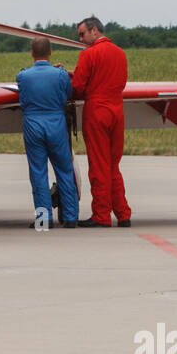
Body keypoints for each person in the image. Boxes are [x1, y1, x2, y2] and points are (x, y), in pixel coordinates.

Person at [70, 16, 132, 227]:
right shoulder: (120, 53)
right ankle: (123, 214)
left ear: (94, 31)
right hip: (117, 111)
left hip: (97, 112)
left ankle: (101, 215)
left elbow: (78, 86)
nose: (80, 38)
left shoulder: (89, 54)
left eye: (82, 34)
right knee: (113, 165)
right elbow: (120, 80)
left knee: (98, 166)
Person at [16, 36, 79, 228]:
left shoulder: (23, 76)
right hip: (56, 123)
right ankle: (70, 218)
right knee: (64, 169)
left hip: (33, 124)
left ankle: (44, 218)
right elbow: (68, 92)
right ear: (50, 52)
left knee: (38, 172)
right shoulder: (59, 75)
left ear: (32, 53)